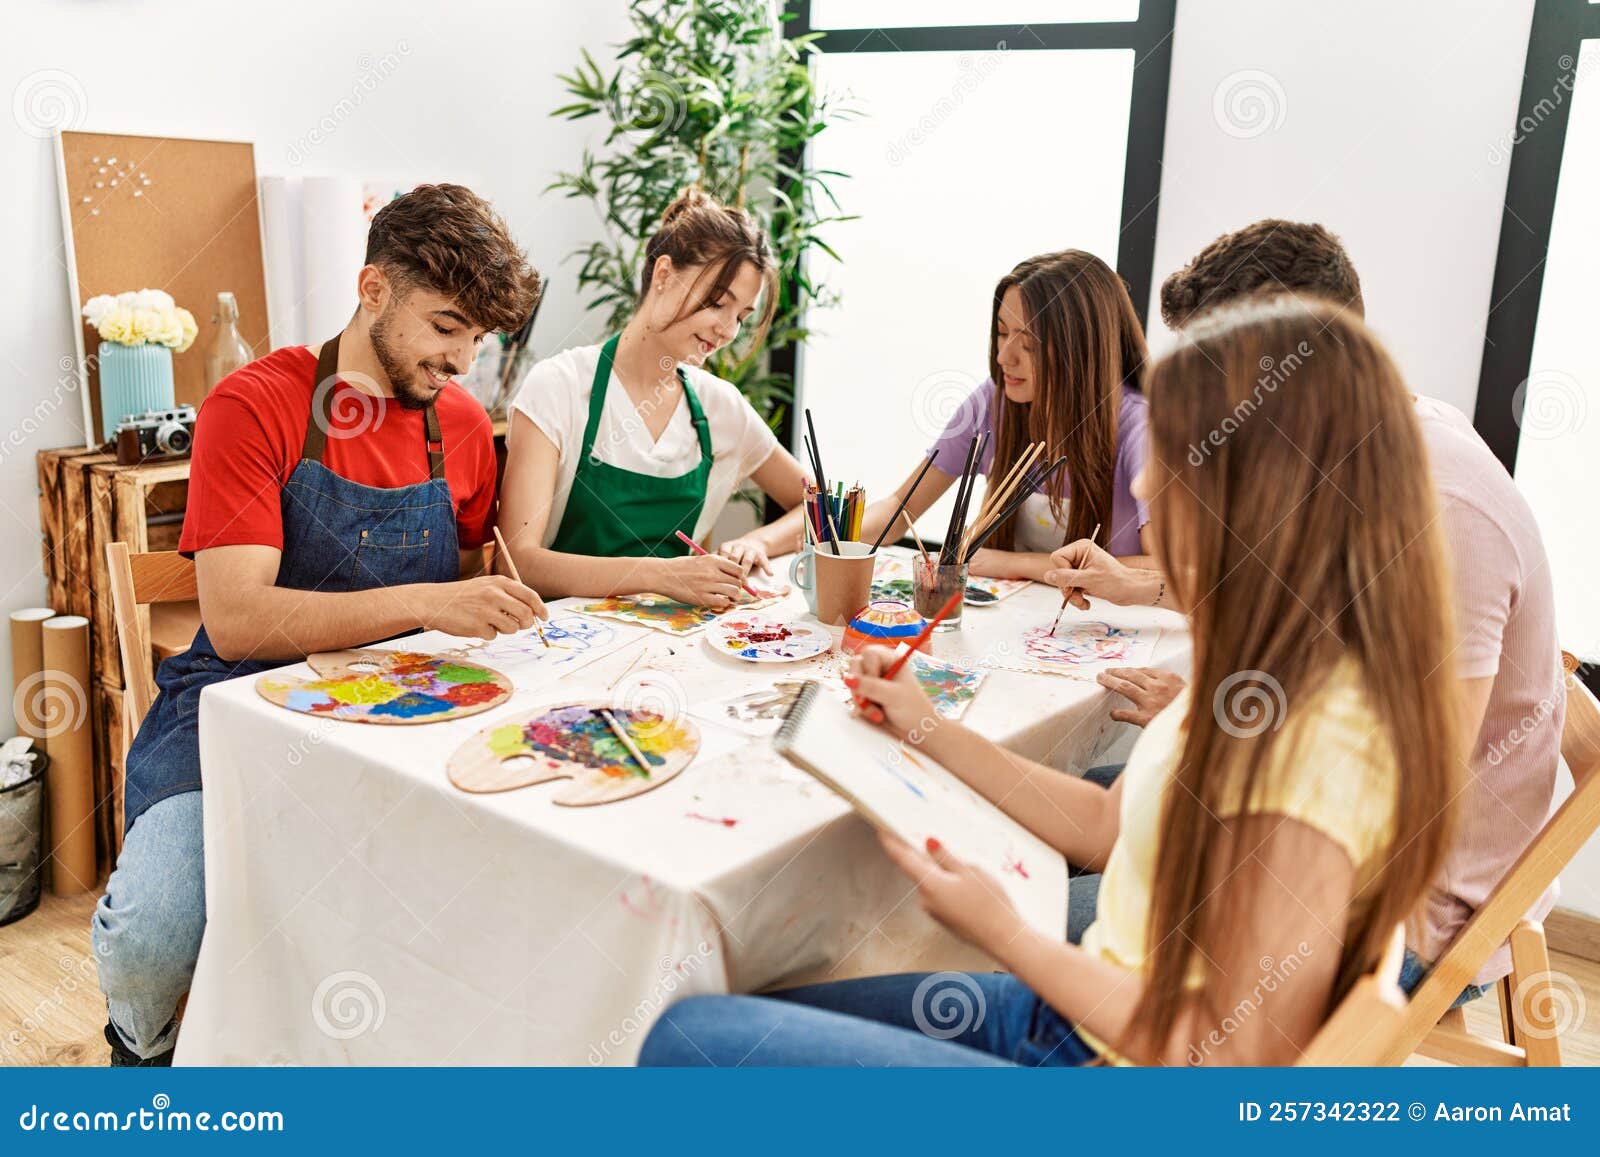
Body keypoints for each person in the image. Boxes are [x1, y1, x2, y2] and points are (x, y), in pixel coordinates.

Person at [639, 298, 1462, 1066]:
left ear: (1256, 499)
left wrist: (1007, 935)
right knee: (743, 1002)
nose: (1144, 488)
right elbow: (1108, 823)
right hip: (1074, 1015)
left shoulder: (1317, 747)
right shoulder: (1282, 670)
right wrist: (926, 724)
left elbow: (1229, 1061)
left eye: (1173, 469)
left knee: (687, 1039)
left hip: (1097, 1062)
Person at [1048, 220, 1566, 996]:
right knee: (1077, 798)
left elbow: (1409, 794)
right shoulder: (1365, 449)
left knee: (1038, 899)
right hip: (1320, 842)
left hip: (1395, 910)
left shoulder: (1439, 498)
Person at [93, 184, 548, 1065]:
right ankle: (140, 1055)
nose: (462, 360)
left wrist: (487, 608)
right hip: (235, 703)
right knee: (152, 933)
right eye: (446, 326)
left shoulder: (457, 422)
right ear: (373, 288)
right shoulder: (252, 404)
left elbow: (458, 589)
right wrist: (426, 603)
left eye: (479, 338)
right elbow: (235, 620)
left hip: (400, 710)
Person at [759, 250, 1154, 581]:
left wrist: (1013, 564)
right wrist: (768, 543)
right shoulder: (992, 402)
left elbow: (1166, 570)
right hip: (1019, 626)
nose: (1004, 358)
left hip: (1108, 637)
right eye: (1002, 333)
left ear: (1082, 348)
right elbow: (899, 511)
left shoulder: (1141, 427)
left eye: (1029, 344)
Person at [497, 188, 810, 605]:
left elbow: (816, 507)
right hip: (563, 645)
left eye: (741, 317)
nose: (728, 331)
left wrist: (758, 542)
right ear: (663, 274)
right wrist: (661, 575)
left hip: (668, 646)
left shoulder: (720, 405)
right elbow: (516, 563)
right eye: (718, 303)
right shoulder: (559, 386)